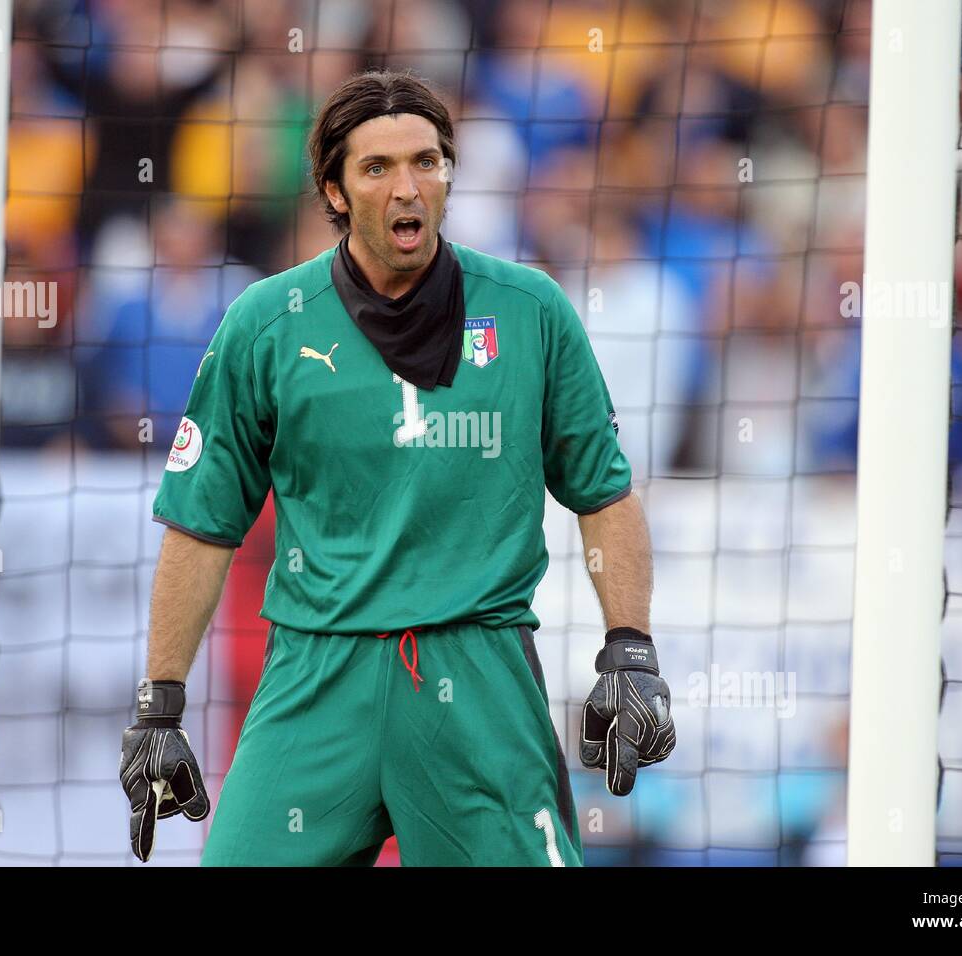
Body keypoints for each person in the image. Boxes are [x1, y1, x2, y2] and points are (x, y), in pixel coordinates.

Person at [118, 69, 676, 867]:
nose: (407, 186)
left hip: (476, 677)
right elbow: (202, 524)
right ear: (334, 192)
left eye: (427, 161)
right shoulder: (265, 325)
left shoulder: (532, 311)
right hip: (316, 676)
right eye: (377, 168)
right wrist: (160, 706)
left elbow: (605, 492)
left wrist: (631, 647)